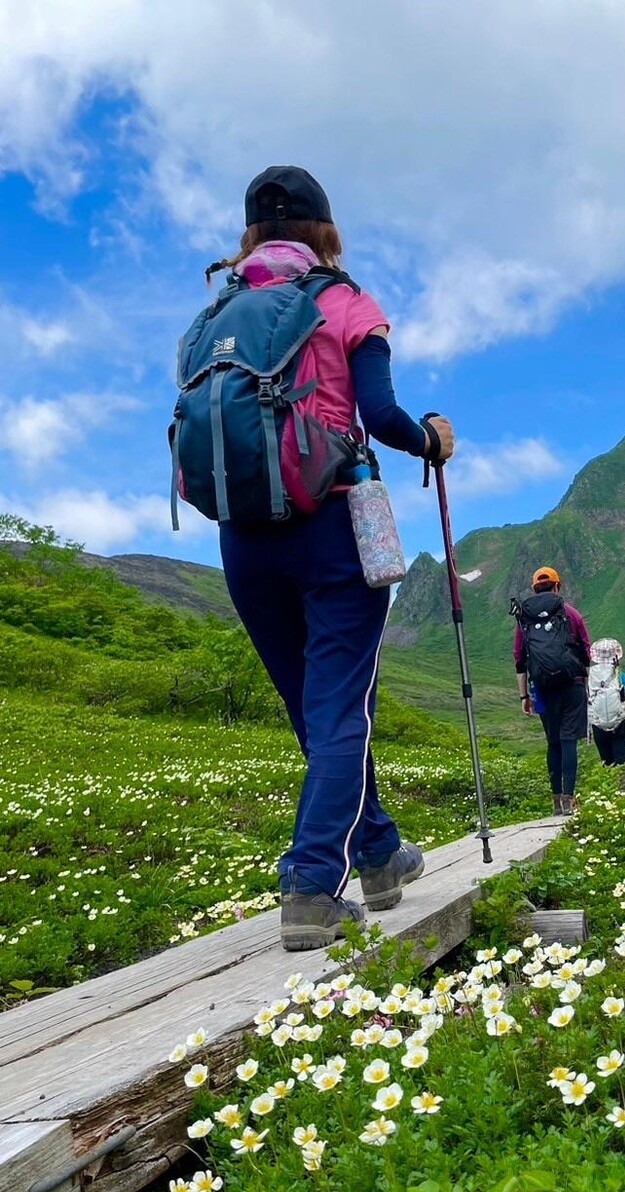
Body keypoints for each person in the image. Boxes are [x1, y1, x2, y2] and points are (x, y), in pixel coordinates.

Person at [193, 166, 455, 950]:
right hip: (332, 524)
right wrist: (432, 439)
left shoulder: (218, 313)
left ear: (251, 234)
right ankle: (311, 885)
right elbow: (381, 415)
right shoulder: (346, 303)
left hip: (243, 536)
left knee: (315, 710)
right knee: (341, 707)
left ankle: (377, 853)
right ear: (323, 230)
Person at [513, 566, 591, 814]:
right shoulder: (572, 614)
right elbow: (586, 651)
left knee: (553, 741)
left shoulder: (525, 619)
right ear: (557, 586)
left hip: (542, 688)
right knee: (569, 740)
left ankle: (556, 800)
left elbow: (519, 659)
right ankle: (568, 798)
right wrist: (586, 682)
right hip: (572, 684)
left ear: (534, 589)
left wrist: (524, 696)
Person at [587, 638, 625, 765]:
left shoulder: (590, 676)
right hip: (619, 723)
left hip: (598, 725)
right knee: (622, 762)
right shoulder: (620, 675)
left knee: (607, 763)